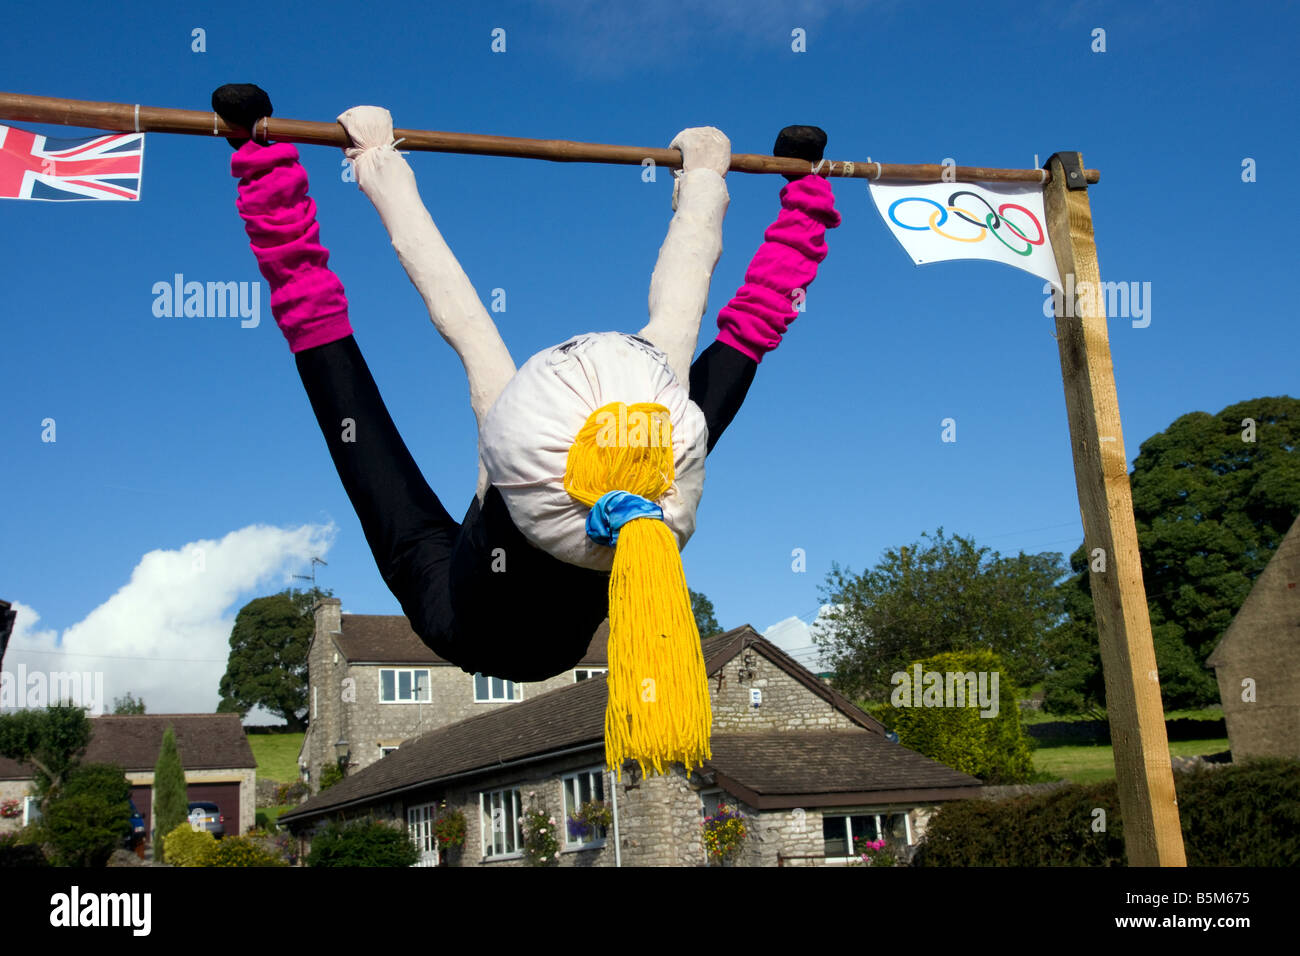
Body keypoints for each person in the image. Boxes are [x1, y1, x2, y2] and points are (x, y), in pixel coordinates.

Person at [214, 85, 840, 768]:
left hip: (456, 620)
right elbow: (752, 322)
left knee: (359, 427)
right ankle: (268, 162)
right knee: (720, 354)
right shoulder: (667, 442)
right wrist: (767, 189)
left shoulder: (525, 427)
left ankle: (266, 161)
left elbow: (449, 306)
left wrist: (355, 163)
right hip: (547, 616)